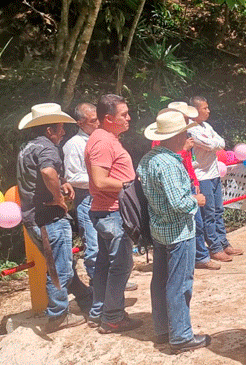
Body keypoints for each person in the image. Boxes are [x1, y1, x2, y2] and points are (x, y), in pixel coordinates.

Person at [138, 109, 211, 353]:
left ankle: (162, 329)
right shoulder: (169, 164)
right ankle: (180, 335)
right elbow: (179, 203)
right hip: (178, 232)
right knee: (179, 283)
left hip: (159, 229)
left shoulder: (147, 159)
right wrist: (197, 200)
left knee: (160, 281)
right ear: (177, 135)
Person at [17, 103, 92, 331]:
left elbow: (40, 175)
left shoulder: (28, 147)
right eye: (60, 128)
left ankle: (85, 297)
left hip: (34, 216)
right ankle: (58, 315)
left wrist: (60, 184)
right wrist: (58, 197)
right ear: (49, 131)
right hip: (47, 218)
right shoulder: (47, 148)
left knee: (63, 262)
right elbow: (47, 172)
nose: (63, 133)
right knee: (59, 266)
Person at [84, 94, 141, 333]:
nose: (129, 118)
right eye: (123, 115)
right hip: (112, 213)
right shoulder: (103, 142)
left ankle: (100, 312)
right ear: (108, 118)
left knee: (106, 265)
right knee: (121, 265)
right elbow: (99, 181)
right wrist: (134, 186)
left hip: (109, 212)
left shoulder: (106, 139)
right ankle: (113, 317)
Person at [153, 102, 219, 271]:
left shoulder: (185, 135)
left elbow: (188, 163)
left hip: (188, 181)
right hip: (176, 186)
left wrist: (194, 181)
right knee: (192, 220)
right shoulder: (161, 142)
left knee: (196, 221)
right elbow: (170, 163)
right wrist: (184, 149)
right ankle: (200, 256)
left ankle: (199, 254)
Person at [189, 96, 242, 262]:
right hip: (202, 176)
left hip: (214, 174)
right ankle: (214, 247)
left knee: (219, 210)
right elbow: (212, 145)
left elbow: (221, 142)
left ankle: (223, 242)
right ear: (195, 110)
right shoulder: (191, 129)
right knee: (209, 213)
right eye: (204, 108)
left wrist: (215, 143)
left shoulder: (207, 126)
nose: (208, 111)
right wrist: (214, 143)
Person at [62, 102, 100, 281]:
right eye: (93, 121)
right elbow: (72, 176)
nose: (98, 123)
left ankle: (110, 282)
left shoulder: (102, 139)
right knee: (93, 245)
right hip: (86, 197)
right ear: (80, 123)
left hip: (103, 195)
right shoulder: (74, 145)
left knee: (108, 240)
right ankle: (98, 287)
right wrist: (101, 179)